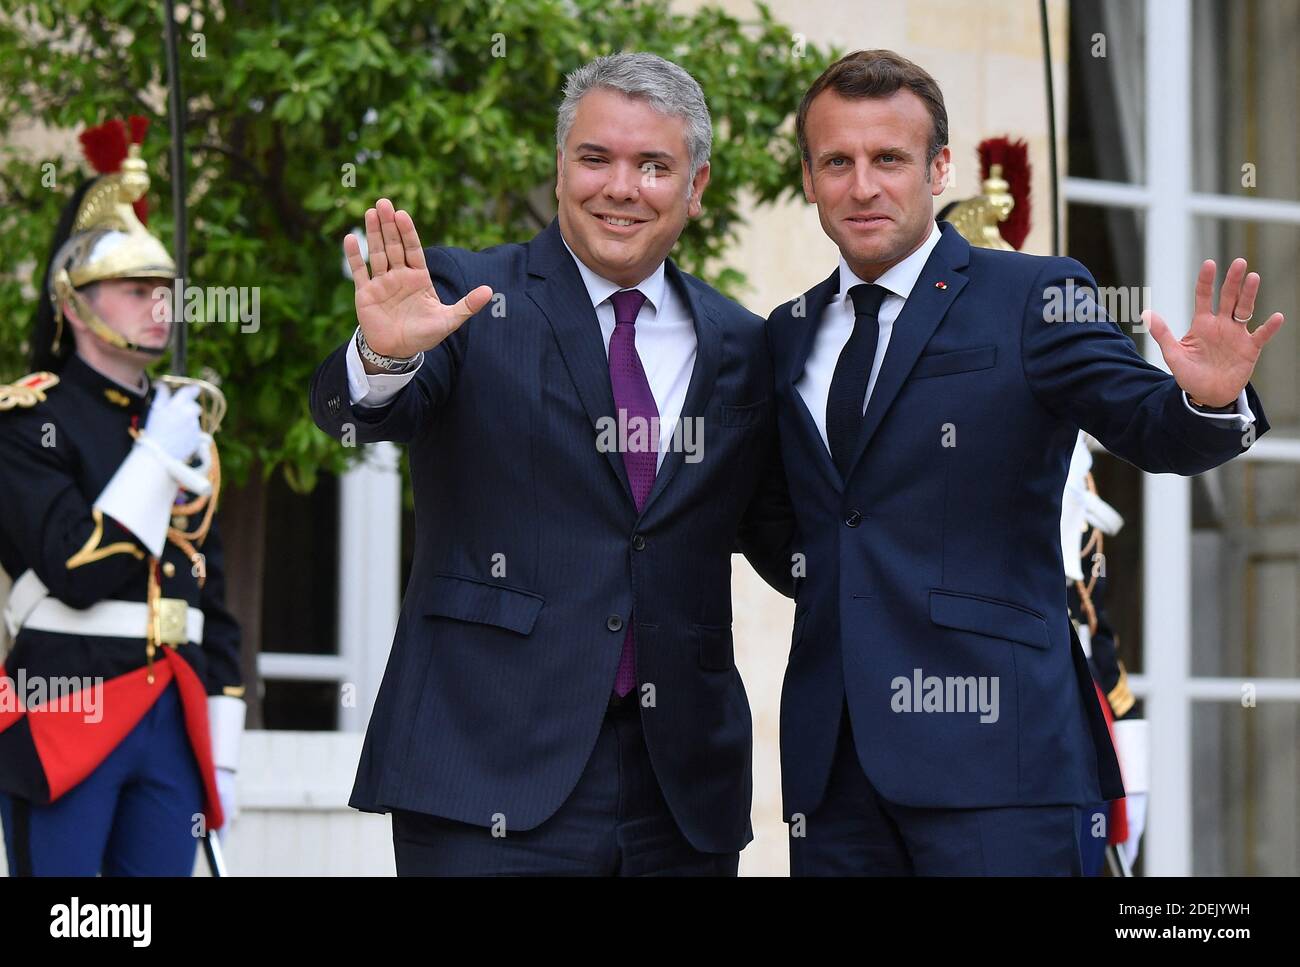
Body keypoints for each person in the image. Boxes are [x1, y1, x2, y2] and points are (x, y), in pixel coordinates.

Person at [766, 50, 1281, 875]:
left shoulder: (1034, 296)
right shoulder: (787, 331)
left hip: (1002, 765)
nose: (862, 185)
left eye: (889, 158)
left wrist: (1207, 400)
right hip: (834, 776)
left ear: (938, 168)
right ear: (810, 176)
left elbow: (1151, 427)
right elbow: (797, 520)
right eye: (838, 161)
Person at [309, 53, 790, 876]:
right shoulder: (467, 294)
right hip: (482, 772)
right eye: (595, 158)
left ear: (696, 186)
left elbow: (787, 535)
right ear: (560, 167)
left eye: (653, 166)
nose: (621, 187)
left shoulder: (744, 344)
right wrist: (381, 360)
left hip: (681, 795)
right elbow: (353, 413)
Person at [0, 118, 243, 876]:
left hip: (174, 712)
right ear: (74, 305)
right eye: (136, 291)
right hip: (68, 705)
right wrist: (154, 459)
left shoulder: (179, 421)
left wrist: (225, 754)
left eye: (164, 292)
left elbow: (212, 596)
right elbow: (75, 565)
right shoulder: (29, 419)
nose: (159, 307)